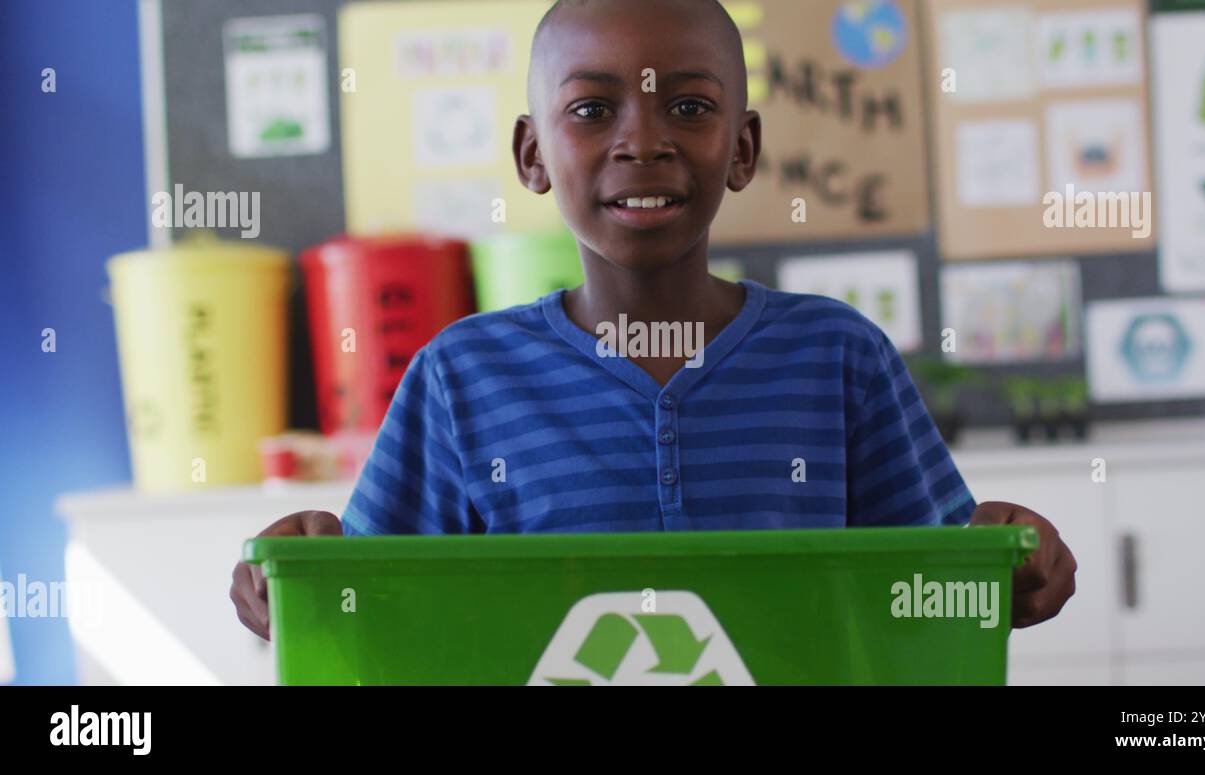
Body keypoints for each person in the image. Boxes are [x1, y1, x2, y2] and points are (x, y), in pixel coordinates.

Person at [231, 0, 1076, 641]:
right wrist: (293, 578)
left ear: (743, 148)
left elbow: (938, 594)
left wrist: (1016, 562)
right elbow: (371, 607)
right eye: (593, 111)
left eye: (690, 107)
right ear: (532, 155)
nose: (644, 141)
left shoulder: (837, 357)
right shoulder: (462, 378)